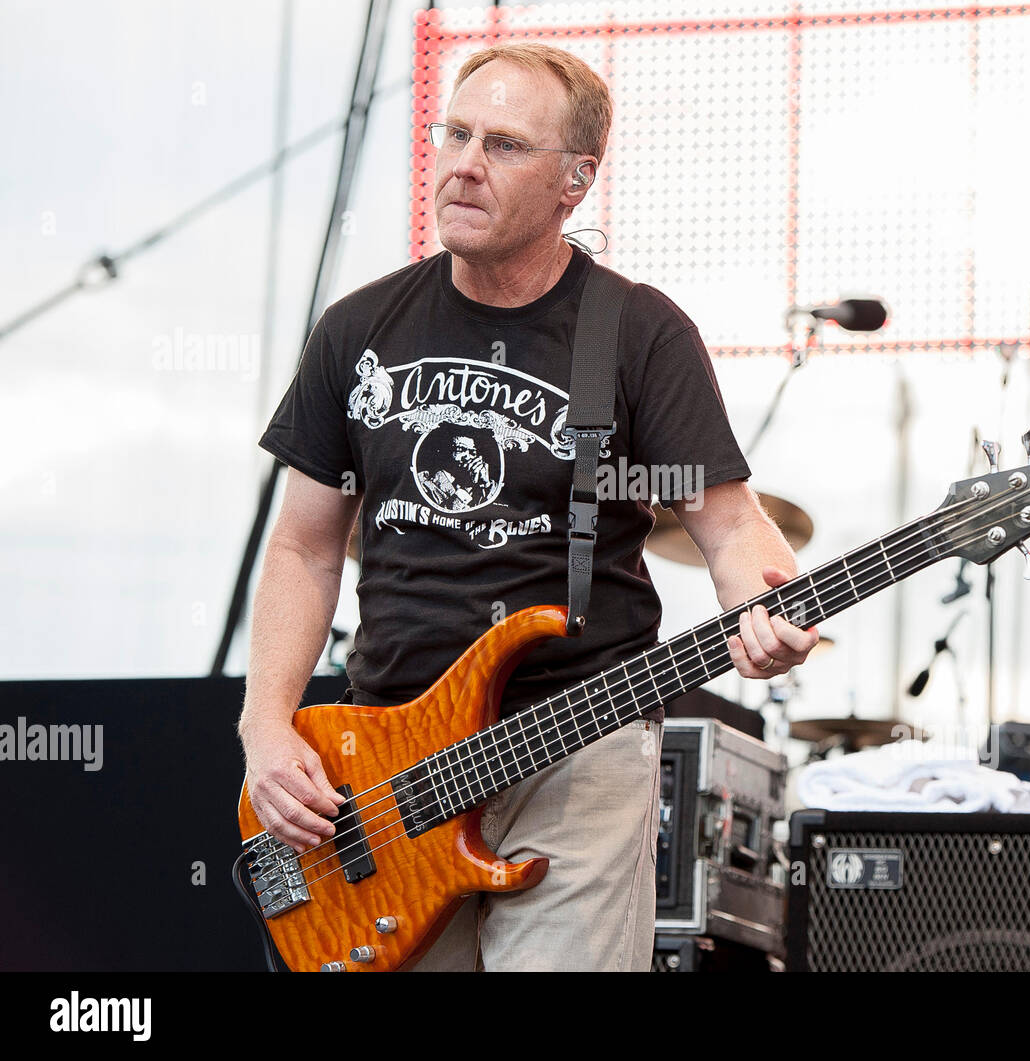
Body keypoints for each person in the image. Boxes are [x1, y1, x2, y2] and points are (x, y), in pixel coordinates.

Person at [237, 42, 817, 972]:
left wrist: (764, 604)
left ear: (575, 183)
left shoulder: (637, 331)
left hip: (575, 742)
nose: (463, 162)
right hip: (388, 759)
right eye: (455, 133)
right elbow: (303, 549)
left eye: (504, 145)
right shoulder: (357, 329)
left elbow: (731, 523)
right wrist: (267, 725)